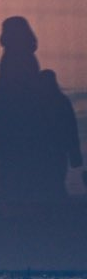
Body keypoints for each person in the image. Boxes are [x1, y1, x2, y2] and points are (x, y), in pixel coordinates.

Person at [0, 15, 45, 199]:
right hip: (24, 114)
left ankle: (10, 195)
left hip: (12, 114)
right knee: (21, 156)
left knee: (8, 156)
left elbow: (6, 85)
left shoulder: (13, 56)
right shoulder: (28, 56)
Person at [26, 69, 82, 197]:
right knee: (57, 182)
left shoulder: (35, 103)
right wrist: (75, 156)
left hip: (43, 151)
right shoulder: (62, 101)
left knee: (44, 184)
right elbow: (71, 130)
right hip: (57, 150)